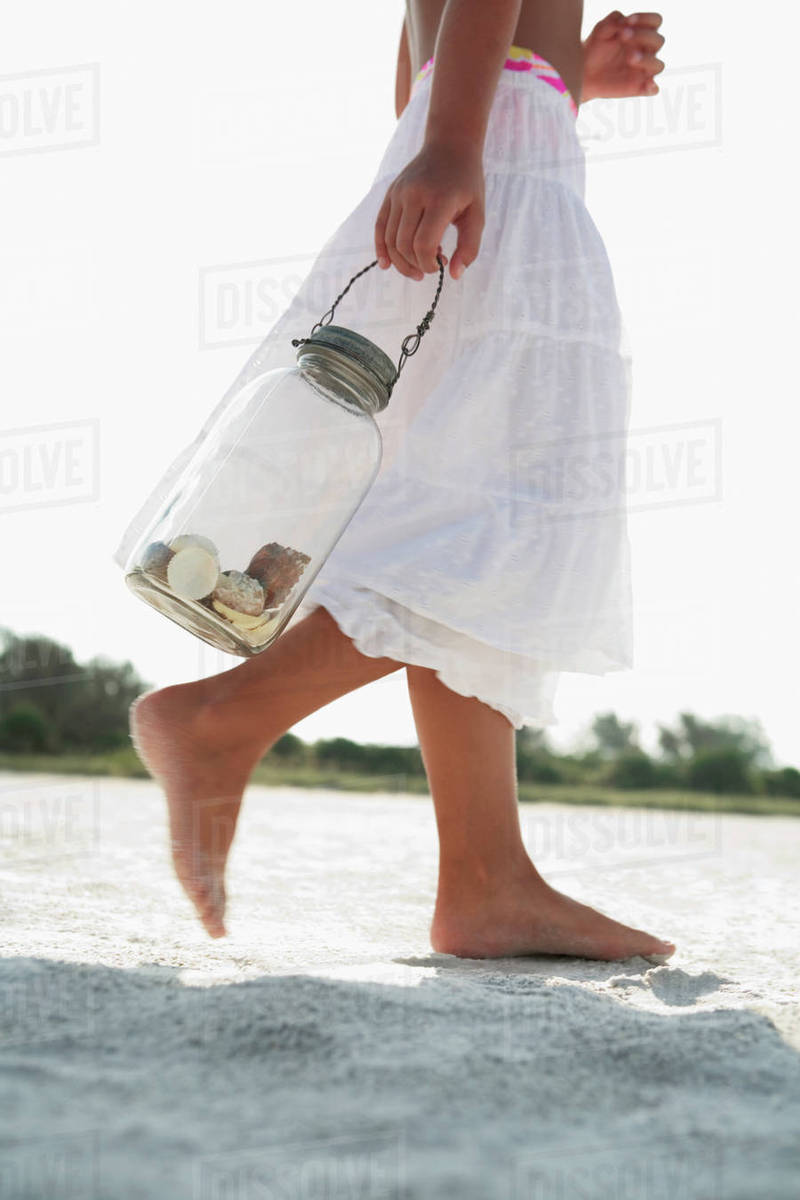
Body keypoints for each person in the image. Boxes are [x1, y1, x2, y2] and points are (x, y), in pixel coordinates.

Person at [128, 1, 674, 963]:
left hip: (479, 146)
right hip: (489, 162)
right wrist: (466, 138)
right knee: (519, 520)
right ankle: (223, 720)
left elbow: (419, 59)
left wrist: (551, 88)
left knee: (470, 516)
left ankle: (485, 881)